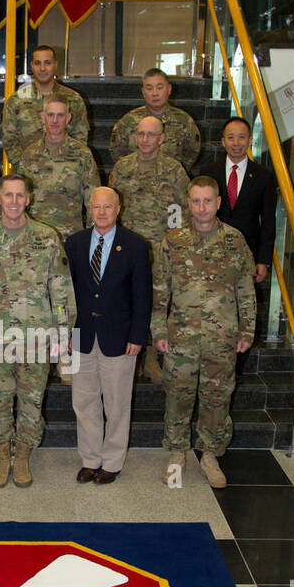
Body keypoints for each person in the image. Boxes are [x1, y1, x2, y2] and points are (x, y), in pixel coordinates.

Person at [0, 174, 75, 489]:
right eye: (8, 195)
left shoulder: (48, 238)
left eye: (19, 195)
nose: (13, 201)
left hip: (36, 339)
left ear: (28, 198)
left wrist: (63, 333)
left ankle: (23, 454)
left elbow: (61, 289)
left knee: (32, 400)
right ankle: (1, 454)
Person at [152, 176, 256, 490]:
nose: (201, 208)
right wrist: (158, 329)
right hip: (181, 336)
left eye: (207, 200)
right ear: (189, 203)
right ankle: (177, 452)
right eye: (196, 201)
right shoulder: (173, 241)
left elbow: (245, 288)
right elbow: (160, 290)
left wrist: (247, 329)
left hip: (222, 337)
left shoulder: (234, 240)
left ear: (218, 202)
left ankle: (210, 454)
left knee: (217, 397)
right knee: (178, 395)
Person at [65, 187, 151, 484]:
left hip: (120, 337)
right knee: (83, 402)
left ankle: (112, 461)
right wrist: (64, 332)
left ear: (119, 209)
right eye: (97, 207)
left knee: (116, 404)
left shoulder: (135, 246)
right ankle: (90, 459)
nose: (102, 212)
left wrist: (138, 335)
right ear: (90, 209)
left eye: (108, 207)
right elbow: (66, 291)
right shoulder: (74, 243)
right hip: (80, 335)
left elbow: (143, 296)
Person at [108, 114, 189, 383]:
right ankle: (127, 358)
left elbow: (185, 209)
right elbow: (110, 208)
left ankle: (152, 358)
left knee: (155, 304)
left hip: (159, 250)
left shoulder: (173, 170)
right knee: (124, 303)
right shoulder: (123, 167)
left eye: (151, 134)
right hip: (126, 250)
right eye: (141, 134)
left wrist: (177, 244)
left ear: (161, 138)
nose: (144, 140)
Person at [201, 117, 277, 285]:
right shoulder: (208, 172)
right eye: (231, 137)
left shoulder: (264, 176)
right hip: (212, 249)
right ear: (223, 141)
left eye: (242, 137)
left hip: (248, 252)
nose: (236, 142)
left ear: (250, 140)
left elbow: (268, 222)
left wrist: (263, 260)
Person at [20, 93, 100, 239]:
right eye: (50, 115)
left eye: (60, 115)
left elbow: (93, 201)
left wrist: (92, 238)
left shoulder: (82, 155)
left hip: (72, 237)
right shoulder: (29, 155)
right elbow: (20, 199)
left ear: (68, 118)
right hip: (36, 239)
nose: (55, 120)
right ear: (42, 117)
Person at [1, 44, 88, 168]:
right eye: (37, 63)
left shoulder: (73, 99)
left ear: (55, 65)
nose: (42, 68)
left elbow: (80, 139)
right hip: (29, 174)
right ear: (31, 66)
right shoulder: (16, 101)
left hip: (65, 173)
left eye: (47, 63)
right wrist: (26, 165)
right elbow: (9, 141)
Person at [109, 68, 201, 175]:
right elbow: (117, 151)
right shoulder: (128, 121)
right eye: (149, 88)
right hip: (134, 182)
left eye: (159, 87)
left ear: (169, 89)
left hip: (170, 181)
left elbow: (192, 152)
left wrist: (174, 172)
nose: (155, 93)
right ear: (143, 92)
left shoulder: (184, 121)